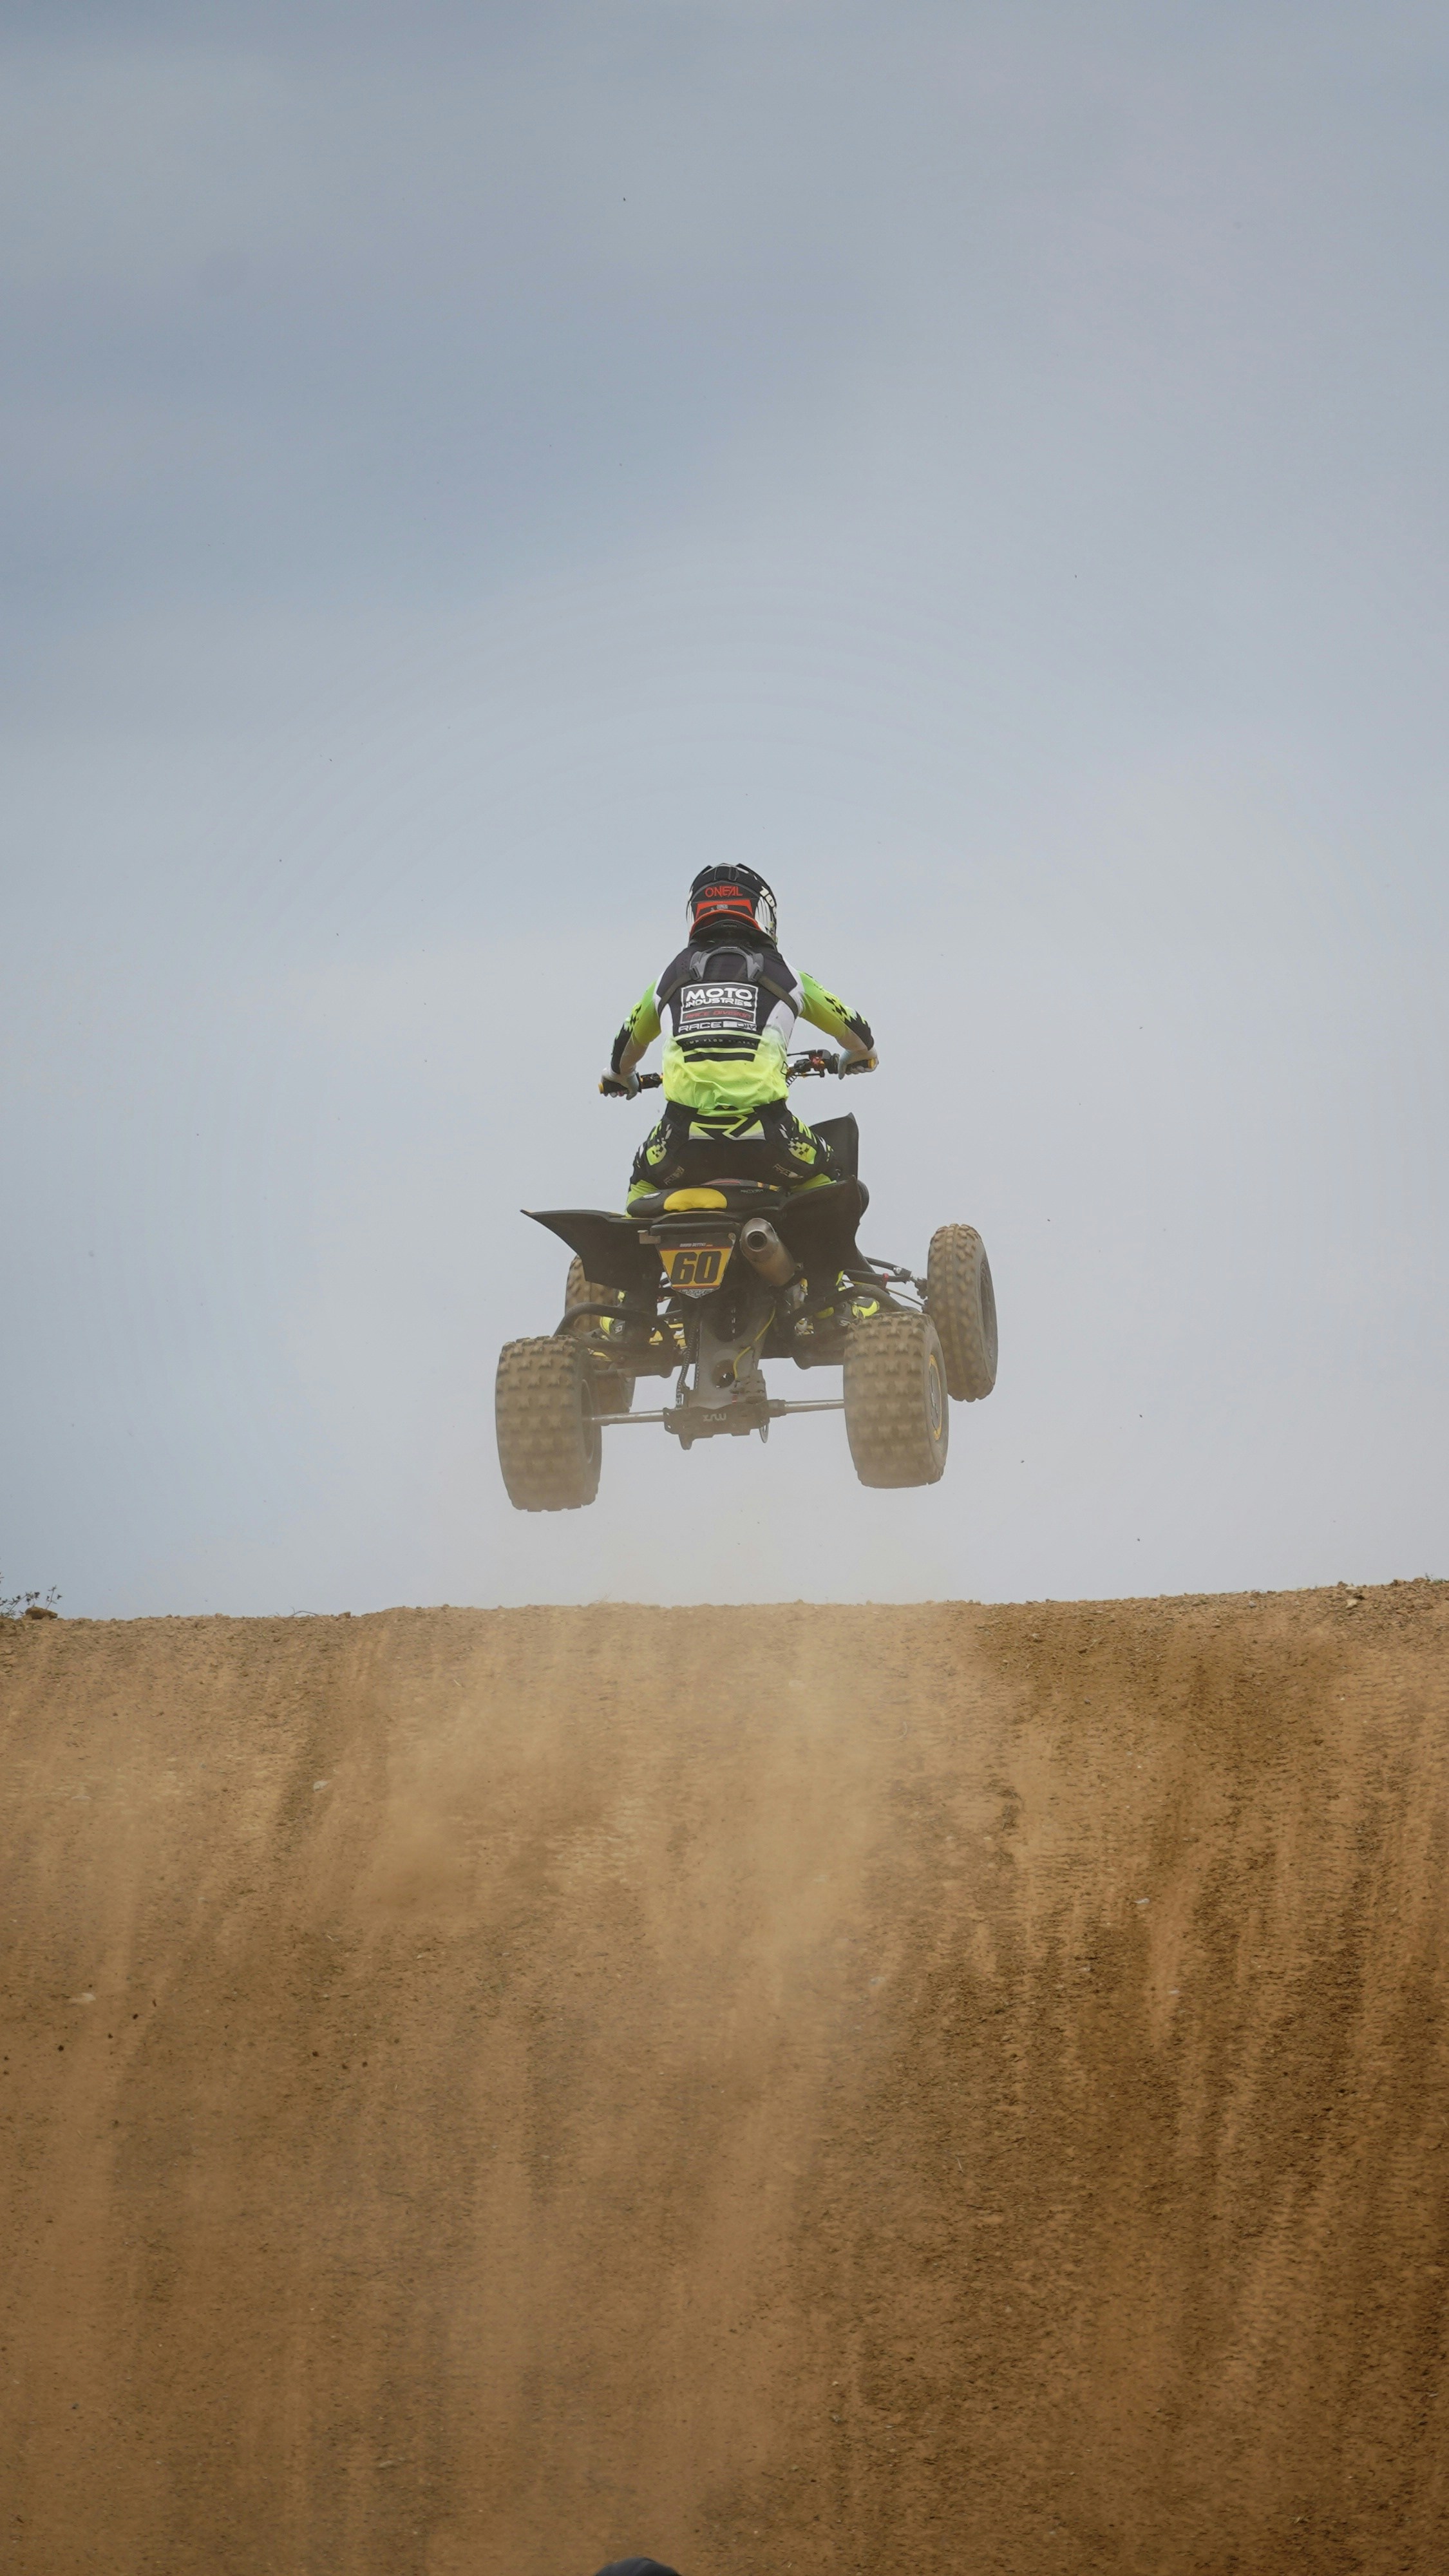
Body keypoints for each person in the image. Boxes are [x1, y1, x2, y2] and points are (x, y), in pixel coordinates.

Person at [600, 867, 877, 1208]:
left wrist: (622, 1078)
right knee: (831, 1177)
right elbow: (859, 1034)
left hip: (681, 1140)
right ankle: (829, 1260)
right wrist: (859, 1056)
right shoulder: (787, 975)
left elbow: (624, 1050)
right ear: (761, 914)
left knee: (642, 1184)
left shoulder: (668, 978)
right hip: (770, 1136)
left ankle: (624, 1258)